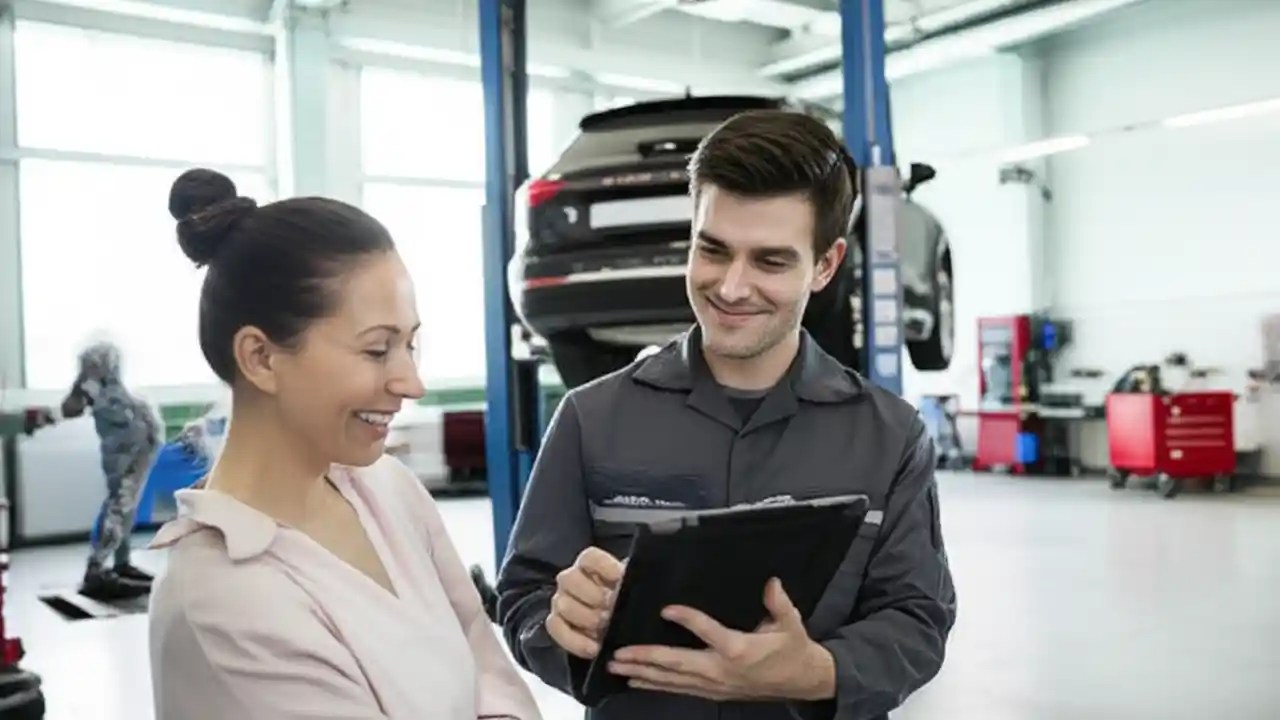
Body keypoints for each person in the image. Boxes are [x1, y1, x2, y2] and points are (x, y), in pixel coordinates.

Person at [496, 110, 956, 720]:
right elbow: (525, 598)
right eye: (712, 250)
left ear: (825, 265)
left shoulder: (891, 436)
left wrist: (818, 672)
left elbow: (917, 618)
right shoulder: (589, 419)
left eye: (770, 262)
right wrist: (559, 628)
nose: (733, 287)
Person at [147, 169, 542, 720]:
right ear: (261, 358)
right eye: (378, 350)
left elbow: (479, 650)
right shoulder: (221, 598)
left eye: (410, 344)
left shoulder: (387, 489)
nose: (411, 382)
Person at [60, 340, 162, 601]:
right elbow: (71, 408)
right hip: (122, 456)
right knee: (119, 507)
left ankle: (121, 563)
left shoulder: (114, 385)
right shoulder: (91, 386)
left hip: (138, 451)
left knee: (127, 509)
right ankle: (96, 569)